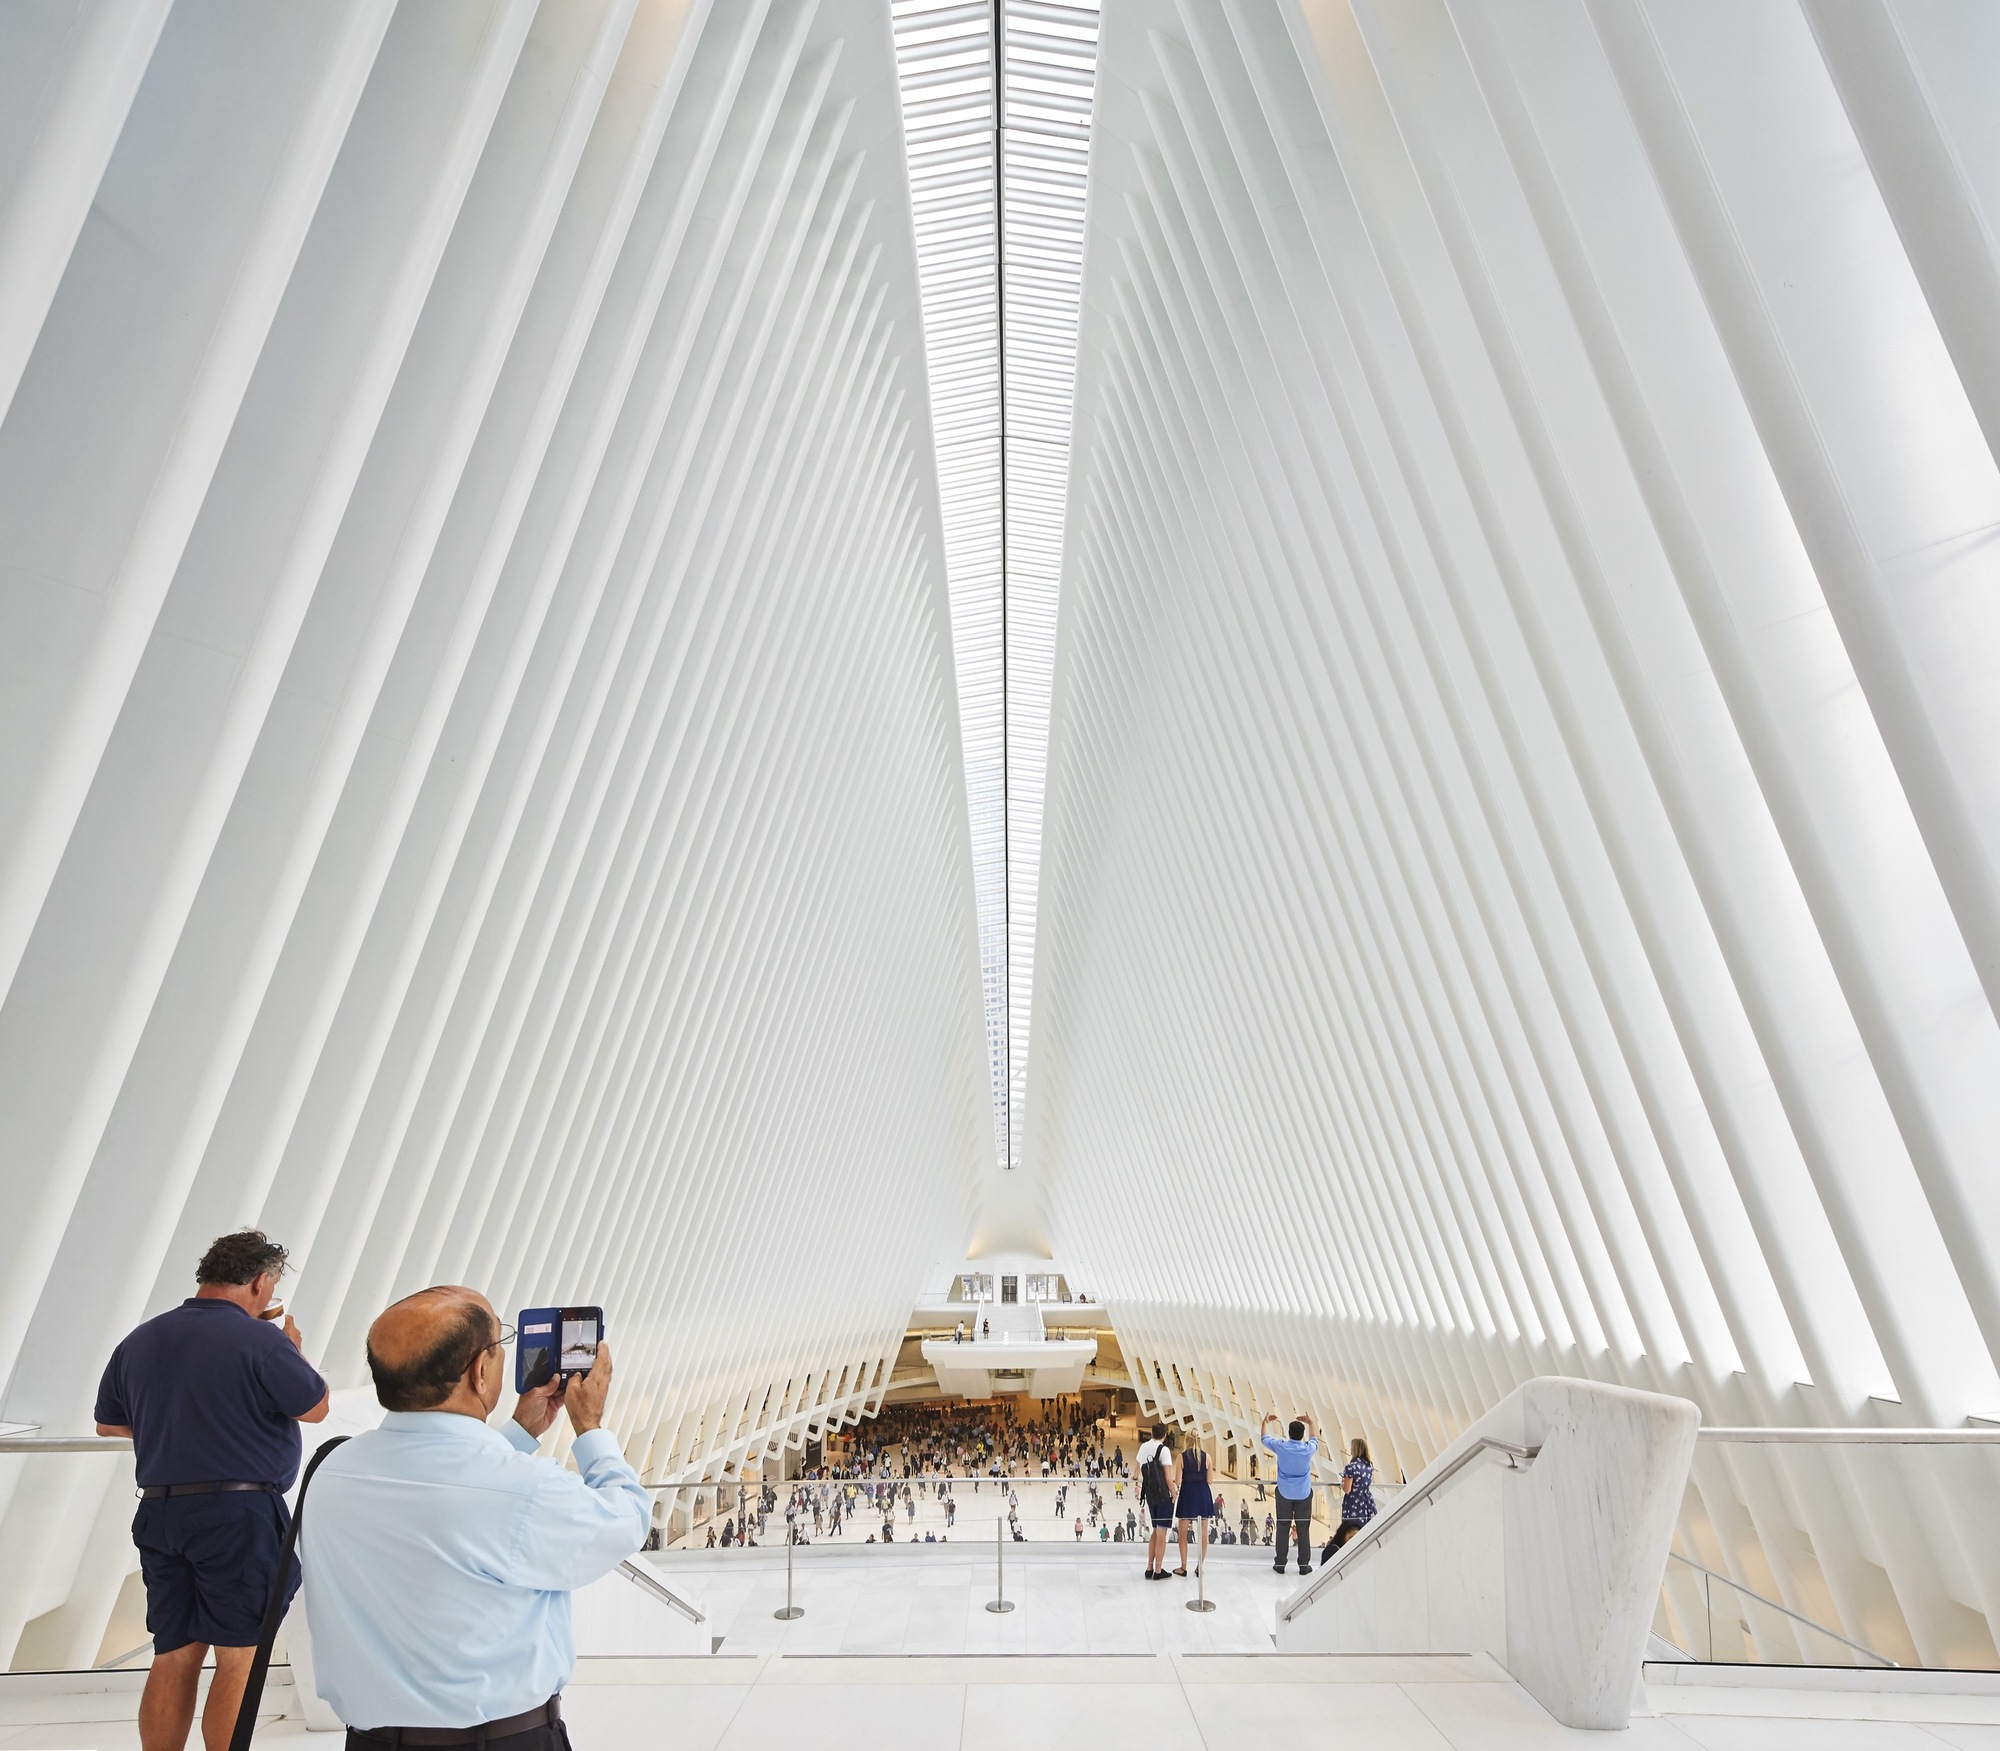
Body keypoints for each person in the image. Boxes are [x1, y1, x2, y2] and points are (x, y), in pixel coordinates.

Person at [299, 1286, 648, 1747]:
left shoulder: (328, 1472)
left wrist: (521, 1432)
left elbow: (449, 1497)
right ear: (481, 1372)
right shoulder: (524, 1488)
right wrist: (590, 1427)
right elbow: (625, 1520)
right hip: (499, 1740)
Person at [94, 1230, 330, 1751]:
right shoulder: (262, 1340)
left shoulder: (141, 1339)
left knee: (174, 1652)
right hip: (239, 1514)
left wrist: (182, 1422)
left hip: (160, 1511)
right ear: (261, 1281)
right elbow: (314, 1407)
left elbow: (108, 1426)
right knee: (239, 1655)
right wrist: (292, 1350)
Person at [1260, 1410, 1318, 1576]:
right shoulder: (1307, 1449)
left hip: (1284, 1493)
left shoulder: (1281, 1446)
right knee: (1303, 1529)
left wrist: (1265, 1422)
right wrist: (1311, 1422)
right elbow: (1315, 1439)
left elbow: (1264, 1438)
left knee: (1283, 1527)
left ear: (1289, 1433)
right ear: (1302, 1435)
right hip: (1303, 1494)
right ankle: (1304, 1565)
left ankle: (1280, 1563)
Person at [1323, 1436, 1378, 1562]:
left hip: (1353, 1502)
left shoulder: (1351, 1467)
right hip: (1365, 1502)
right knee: (1362, 1530)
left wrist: (1343, 1483)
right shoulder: (1369, 1466)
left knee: (1350, 1530)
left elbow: (1347, 1489)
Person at [1135, 1424, 1177, 1580]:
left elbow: (1136, 1469)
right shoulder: (1164, 1450)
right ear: (1165, 1435)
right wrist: (1174, 1494)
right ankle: (1158, 1570)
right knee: (1162, 1533)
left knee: (1155, 1530)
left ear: (1151, 1433)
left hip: (1151, 1496)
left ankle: (1149, 1567)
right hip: (1163, 1497)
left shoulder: (1144, 1447)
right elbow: (1167, 1477)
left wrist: (1133, 1478)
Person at [1174, 1440, 1214, 1577]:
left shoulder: (1181, 1457)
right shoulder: (1207, 1457)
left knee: (1183, 1534)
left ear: (1186, 1440)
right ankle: (1199, 1566)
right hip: (1203, 1495)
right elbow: (1210, 1480)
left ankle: (1183, 1567)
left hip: (1187, 1495)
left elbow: (1178, 1481)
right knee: (1203, 1535)